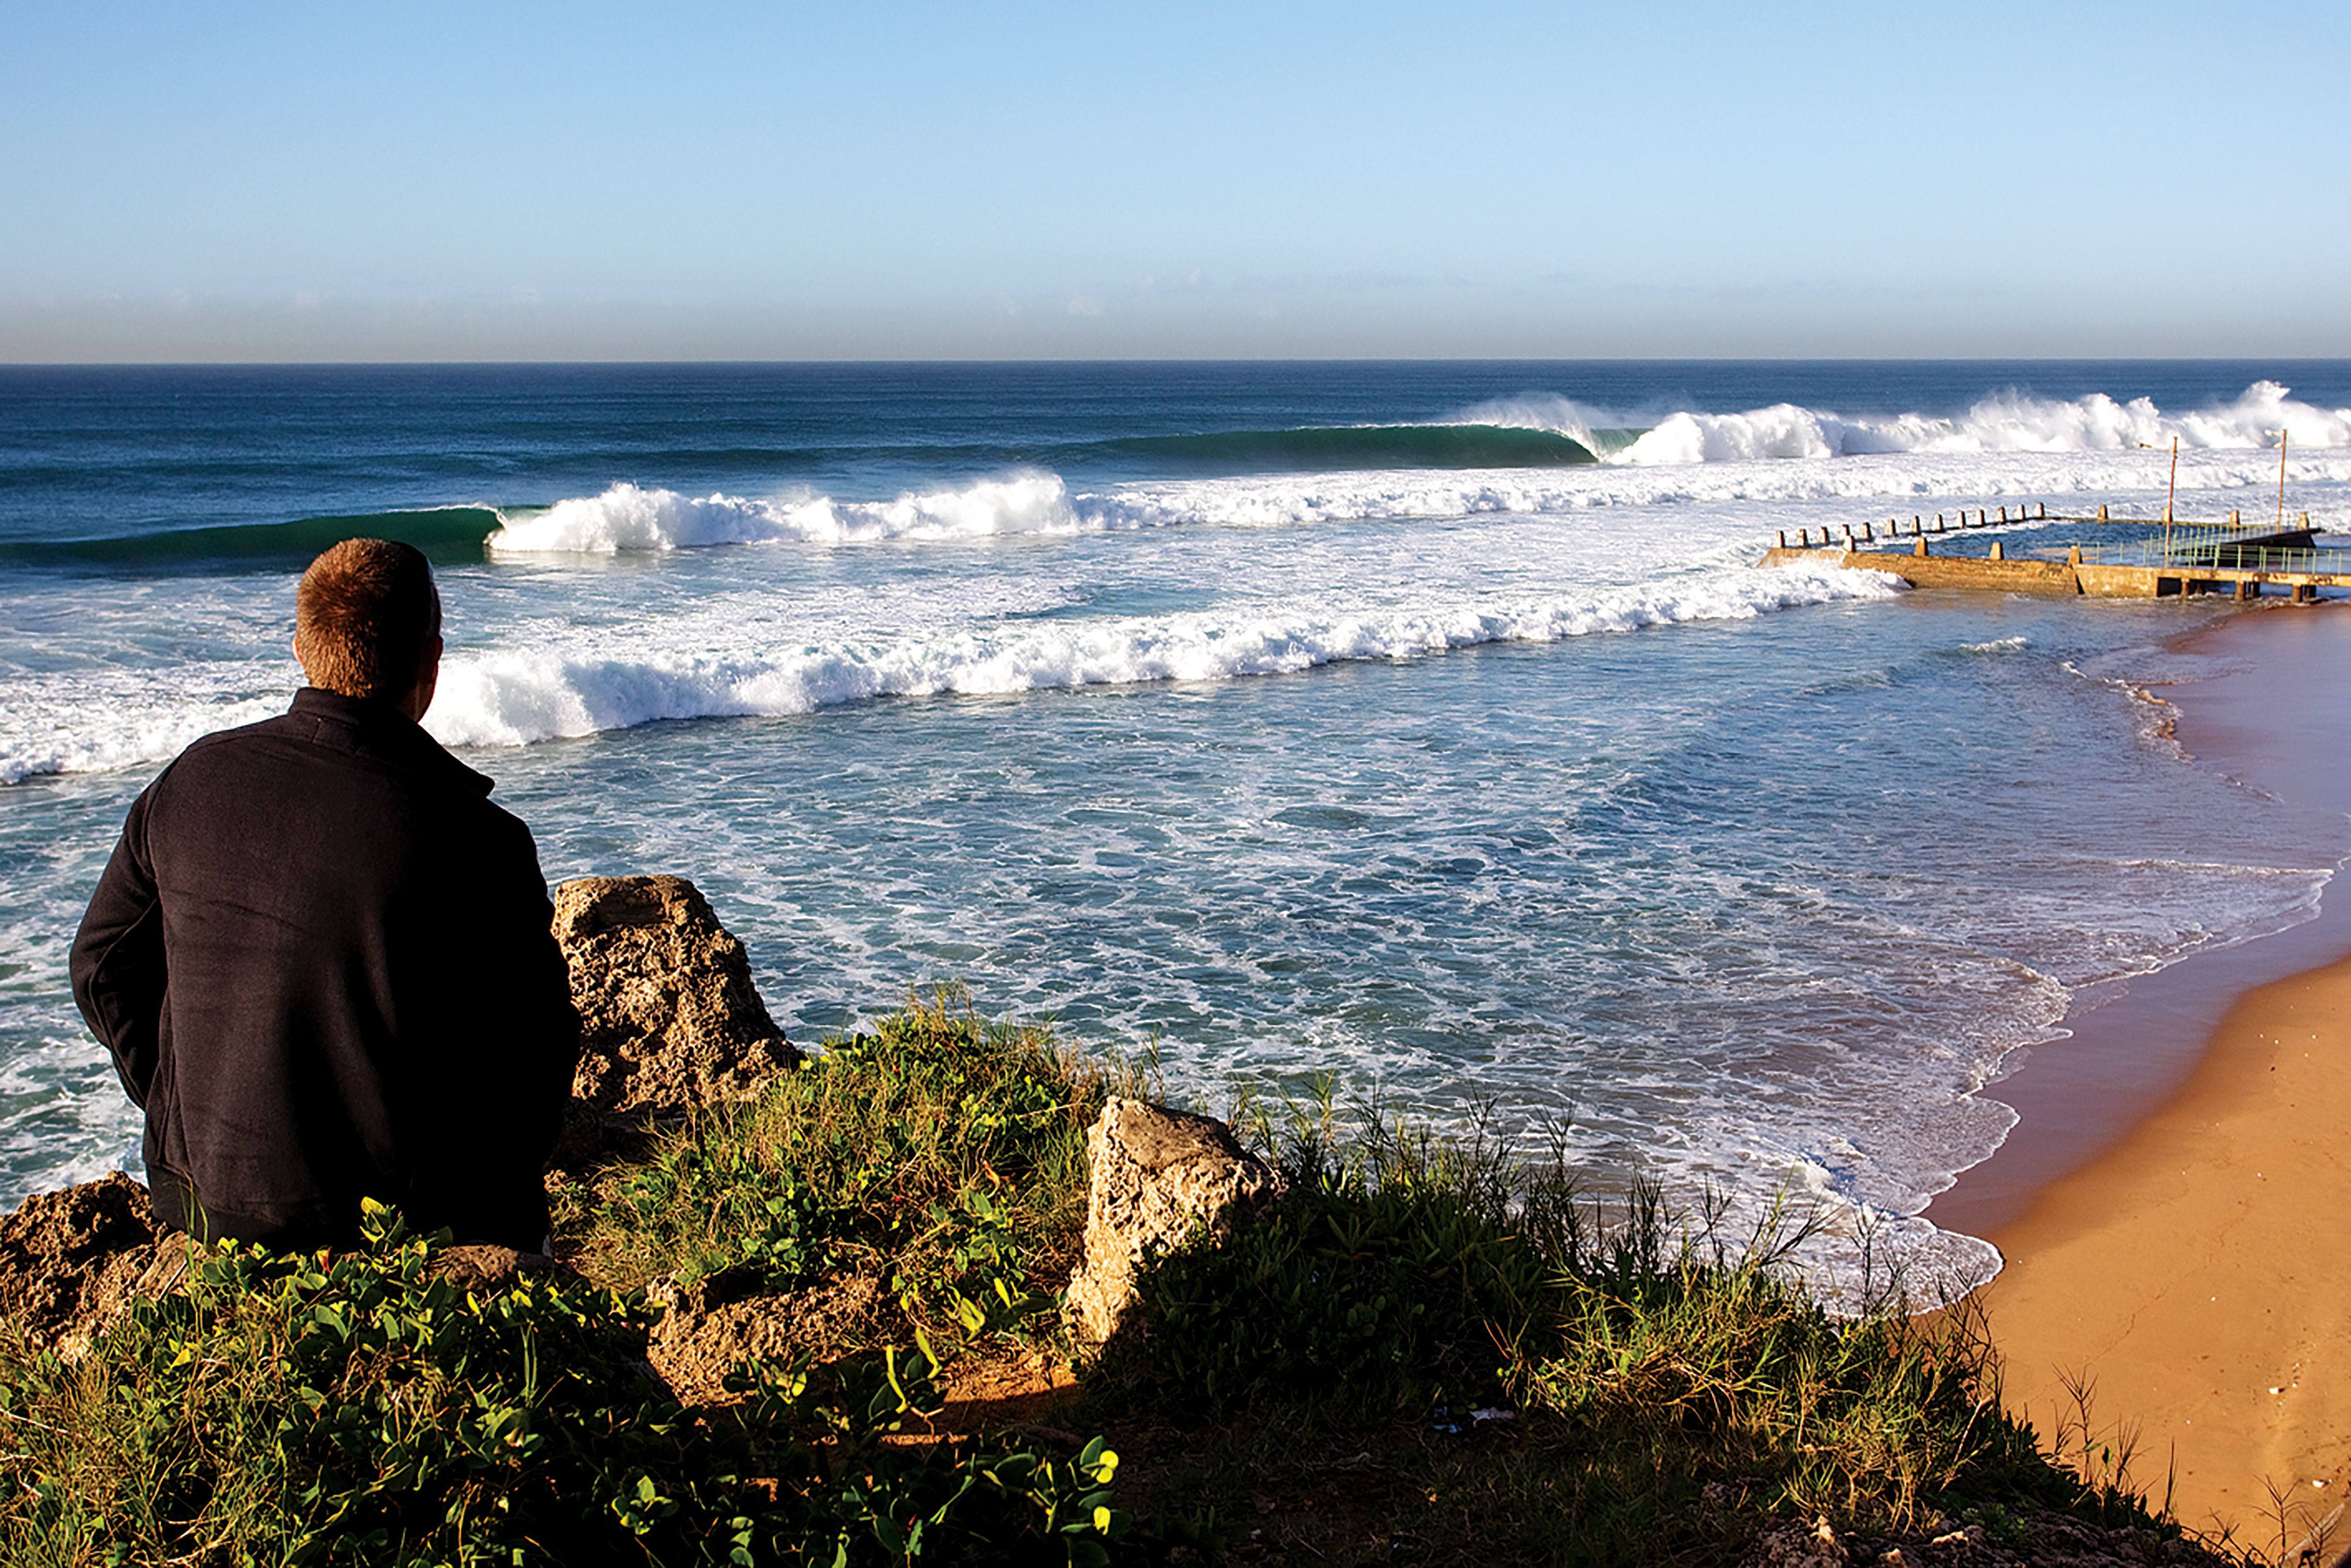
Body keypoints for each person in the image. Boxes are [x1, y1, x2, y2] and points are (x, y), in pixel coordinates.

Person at [70, 539, 580, 1251]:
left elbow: (99, 965)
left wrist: (180, 1105)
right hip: (397, 1227)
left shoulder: (192, 781)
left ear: (300, 651)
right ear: (431, 664)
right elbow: (537, 1051)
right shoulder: (476, 835)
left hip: (210, 1206)